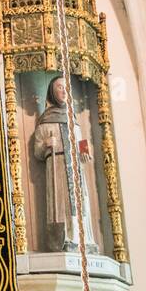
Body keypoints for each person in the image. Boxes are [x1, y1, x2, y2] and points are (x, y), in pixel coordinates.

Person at [34, 75, 98, 253]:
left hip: (75, 167)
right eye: (60, 87)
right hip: (57, 166)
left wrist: (84, 150)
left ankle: (83, 239)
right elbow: (37, 151)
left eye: (66, 88)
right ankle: (65, 240)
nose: (64, 91)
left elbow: (79, 141)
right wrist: (46, 144)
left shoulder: (73, 118)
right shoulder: (46, 119)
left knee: (79, 202)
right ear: (52, 91)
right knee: (61, 204)